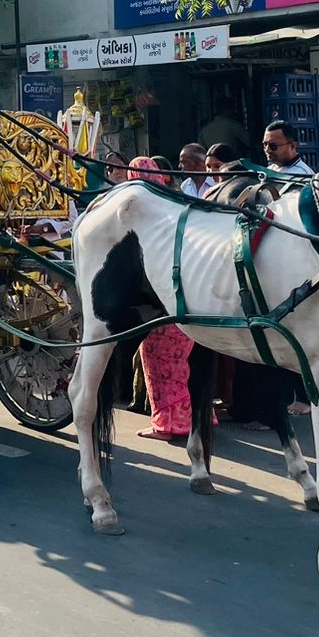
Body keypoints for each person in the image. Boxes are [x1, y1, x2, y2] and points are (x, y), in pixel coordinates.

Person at [125, 155, 195, 442]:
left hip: (158, 302)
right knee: (181, 367)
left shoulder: (141, 209)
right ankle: (190, 418)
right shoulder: (175, 203)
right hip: (186, 299)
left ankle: (165, 425)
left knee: (158, 365)